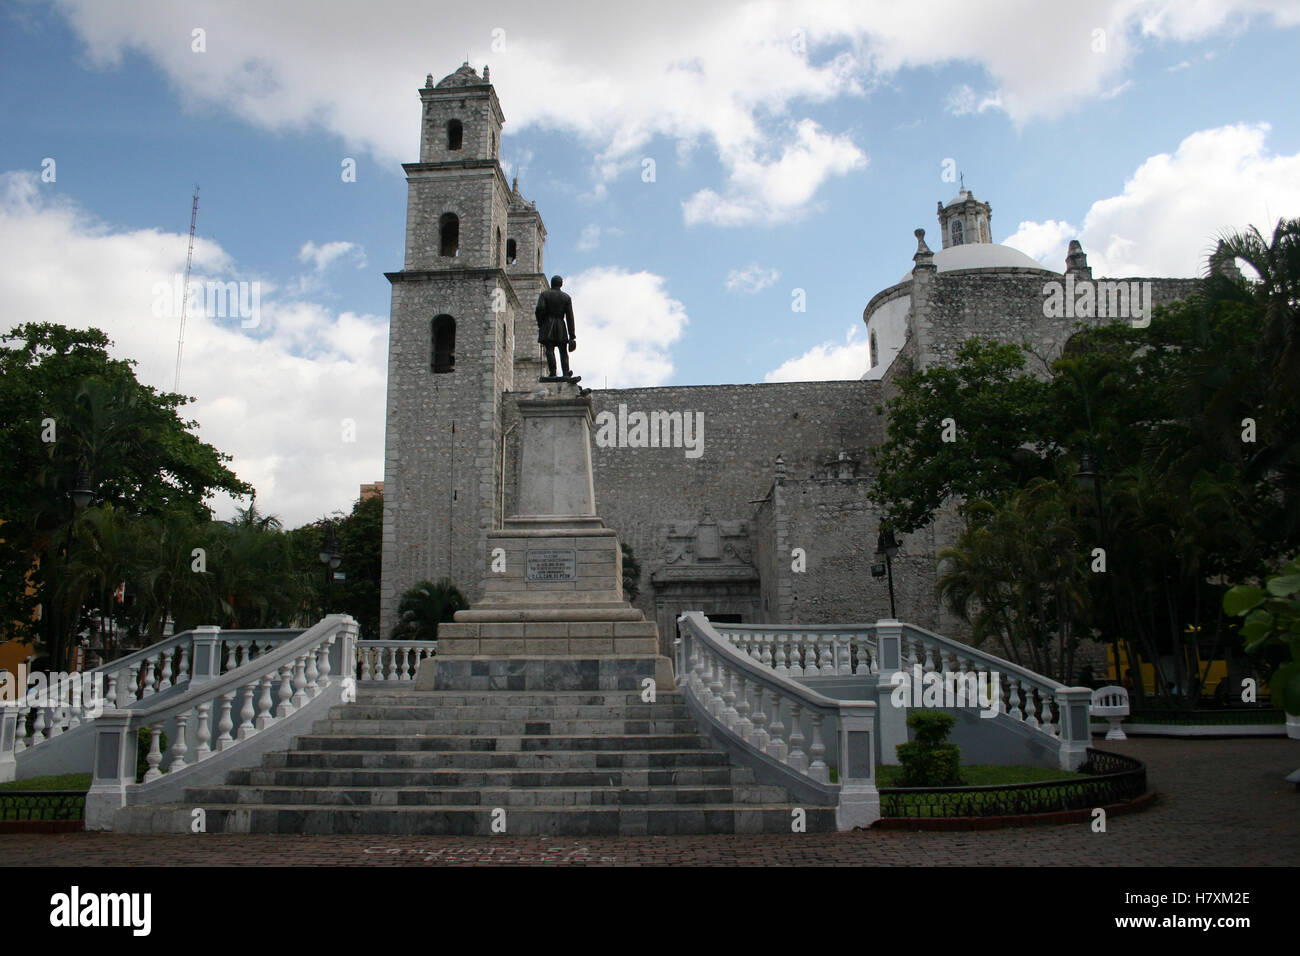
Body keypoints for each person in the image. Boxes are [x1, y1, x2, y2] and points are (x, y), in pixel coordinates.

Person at [534, 275, 576, 379]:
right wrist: (572, 336)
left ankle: (552, 372)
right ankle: (566, 372)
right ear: (561, 284)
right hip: (561, 325)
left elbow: (540, 309)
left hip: (547, 324)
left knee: (549, 349)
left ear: (552, 283)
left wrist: (541, 323)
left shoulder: (544, 295)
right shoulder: (566, 297)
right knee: (563, 350)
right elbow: (570, 318)